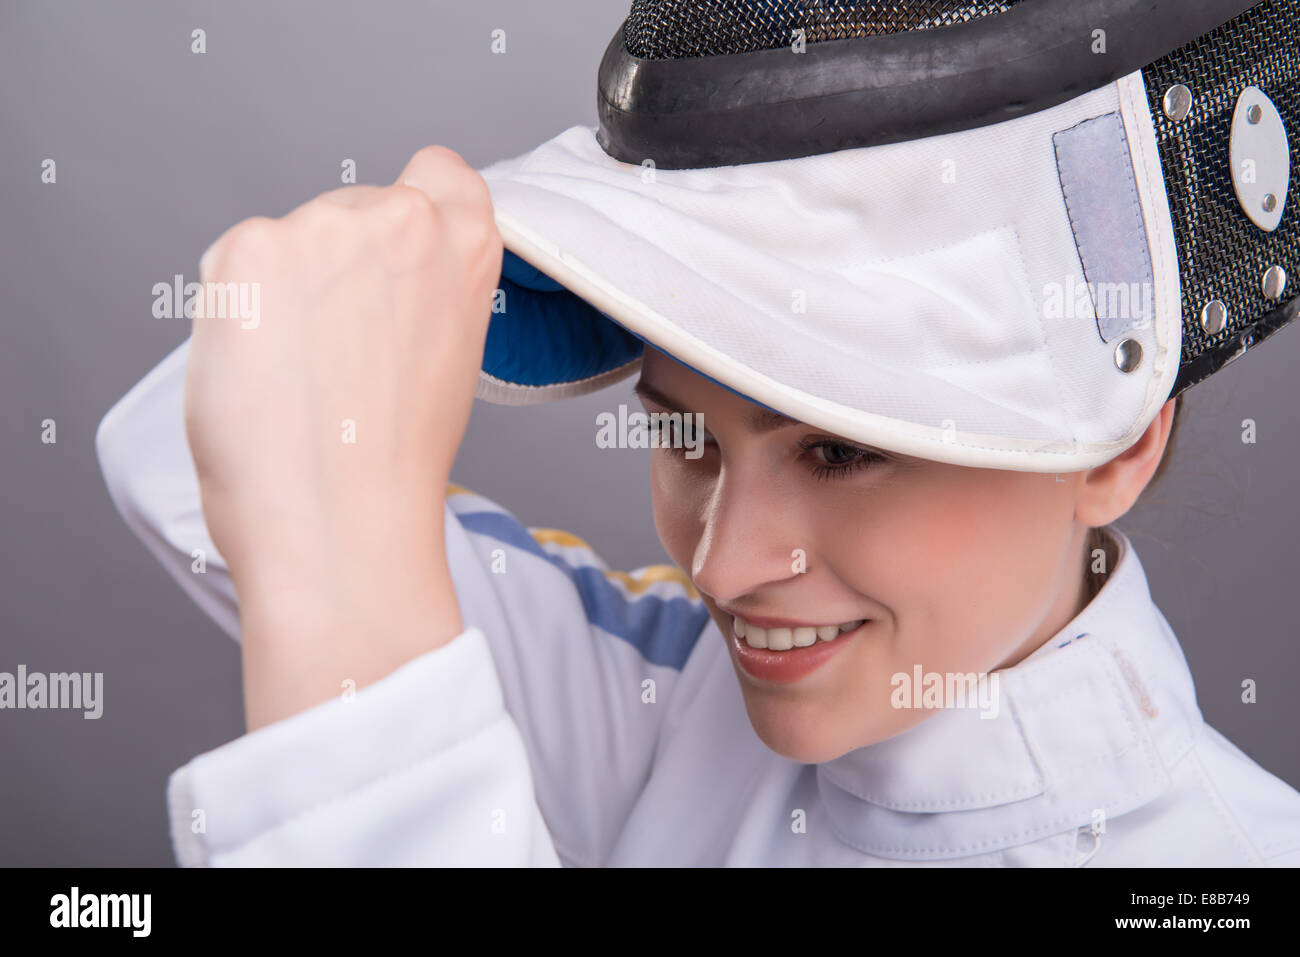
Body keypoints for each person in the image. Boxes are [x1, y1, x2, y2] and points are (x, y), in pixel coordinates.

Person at [97, 0, 1300, 865]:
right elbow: (193, 452)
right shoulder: (671, 700)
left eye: (838, 446)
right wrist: (424, 245)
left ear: (1114, 444)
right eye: (689, 441)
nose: (722, 566)